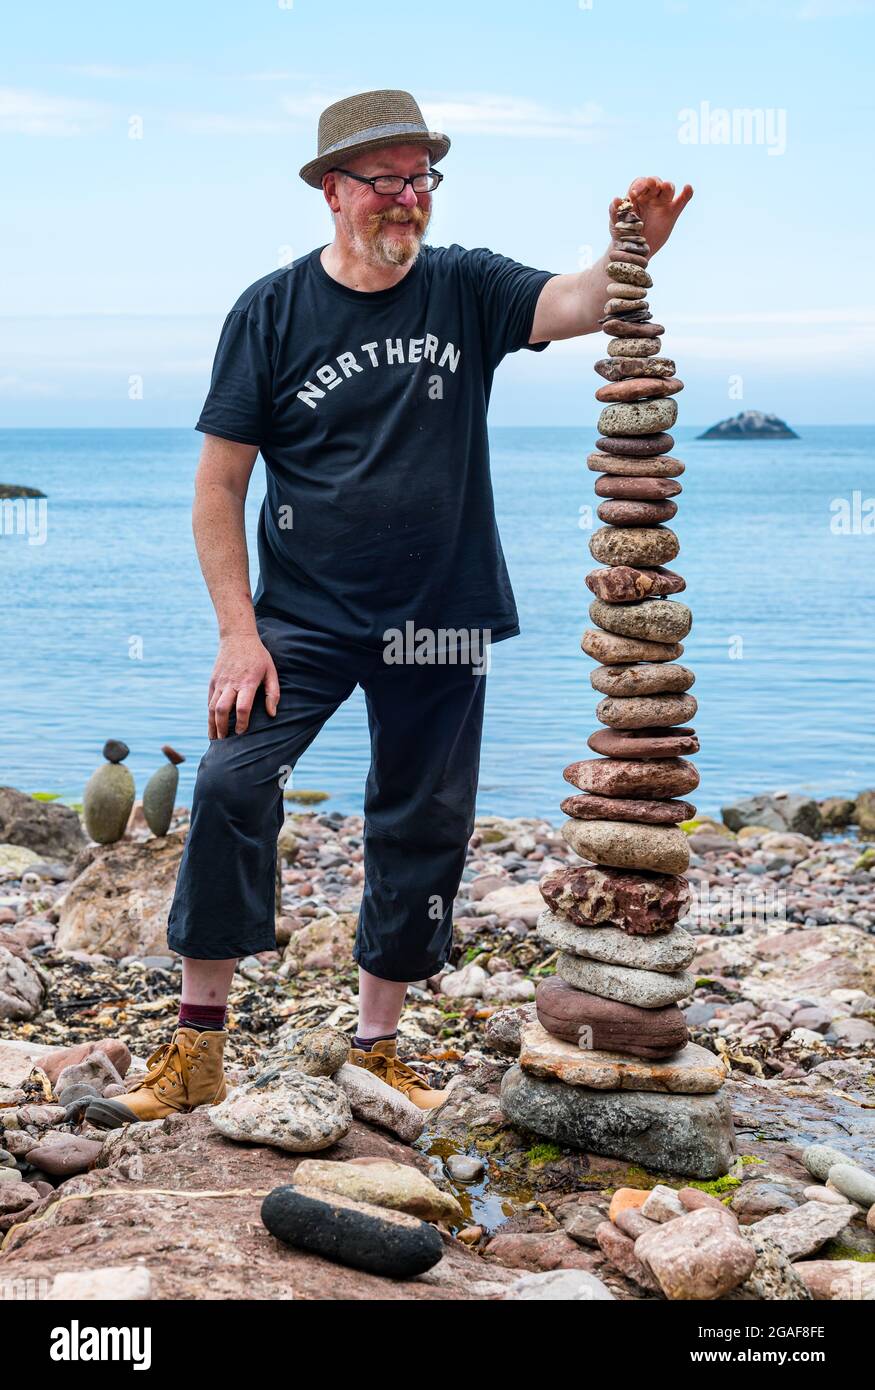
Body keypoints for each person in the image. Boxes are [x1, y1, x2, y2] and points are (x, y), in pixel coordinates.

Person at [86, 89, 692, 1129]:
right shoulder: (270, 311)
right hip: (302, 621)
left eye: (421, 178)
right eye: (385, 179)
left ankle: (379, 1046)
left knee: (421, 823)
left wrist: (628, 249)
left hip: (444, 612)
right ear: (333, 191)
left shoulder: (463, 285)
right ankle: (197, 1042)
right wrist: (238, 632)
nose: (407, 199)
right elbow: (217, 486)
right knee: (233, 782)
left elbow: (575, 302)